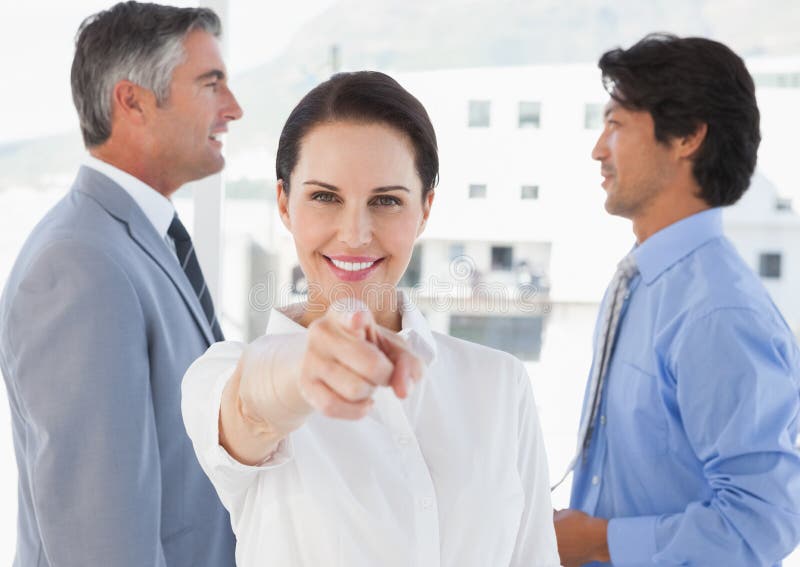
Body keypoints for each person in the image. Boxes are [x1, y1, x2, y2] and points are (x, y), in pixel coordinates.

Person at [181, 70, 560, 567]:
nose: (355, 234)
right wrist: (304, 366)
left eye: (386, 201)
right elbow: (251, 407)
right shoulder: (221, 374)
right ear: (284, 204)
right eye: (324, 197)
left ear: (425, 209)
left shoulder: (499, 383)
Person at [0, 2, 242, 565]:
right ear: (132, 100)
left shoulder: (139, 242)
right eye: (211, 84)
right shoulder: (79, 266)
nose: (233, 108)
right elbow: (99, 547)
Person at [553, 33, 800, 566]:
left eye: (616, 124)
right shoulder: (640, 283)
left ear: (687, 136)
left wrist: (599, 540)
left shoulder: (718, 312)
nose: (598, 148)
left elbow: (761, 523)